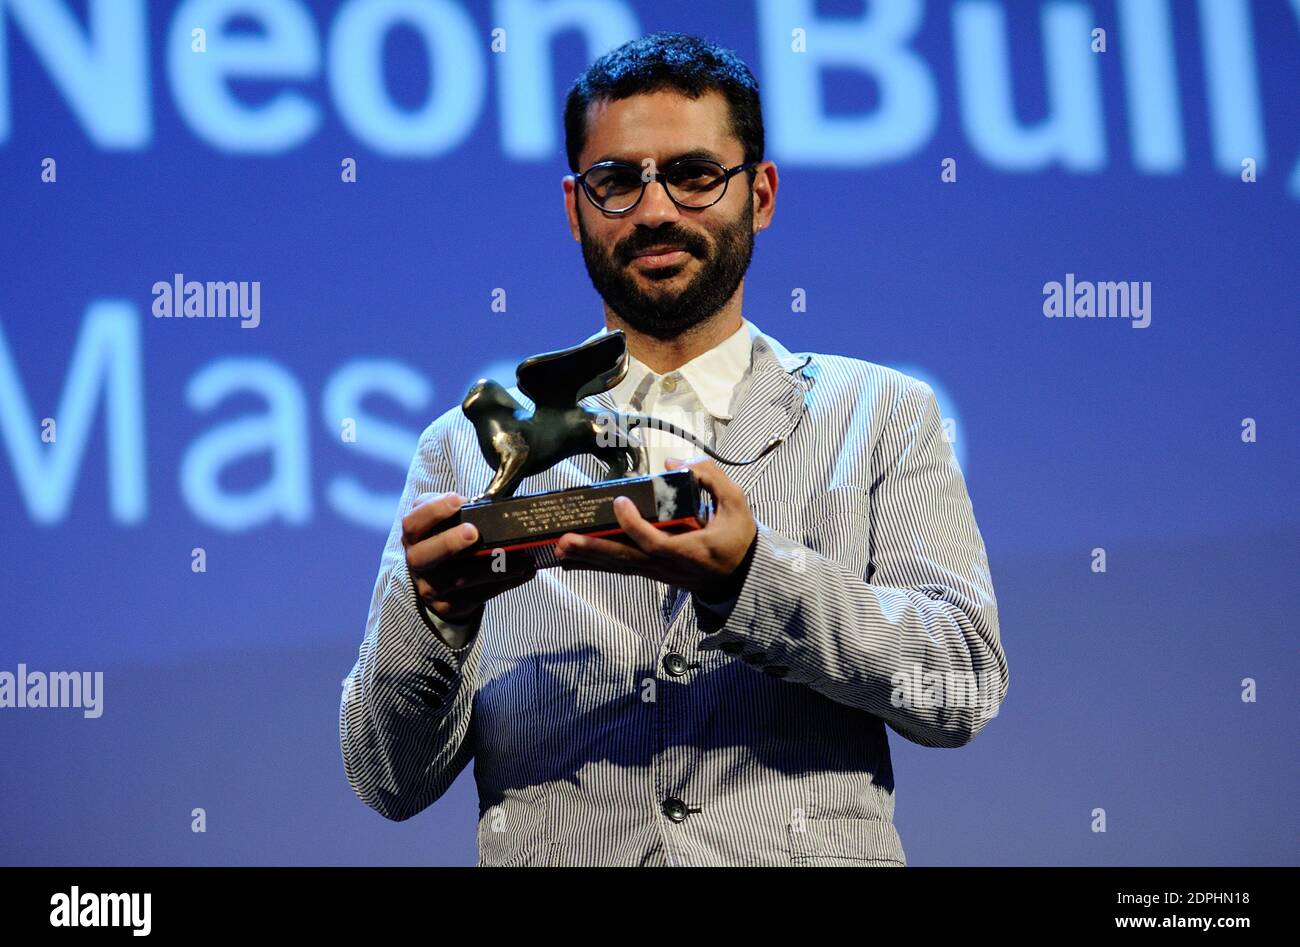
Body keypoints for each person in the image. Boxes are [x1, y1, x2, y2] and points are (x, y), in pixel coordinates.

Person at [340, 32, 1007, 866]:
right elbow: (385, 780)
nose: (655, 210)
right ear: (574, 206)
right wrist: (436, 618)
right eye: (616, 182)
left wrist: (752, 579)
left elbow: (961, 684)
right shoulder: (461, 452)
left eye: (694, 175)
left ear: (759, 194)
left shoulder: (882, 413)